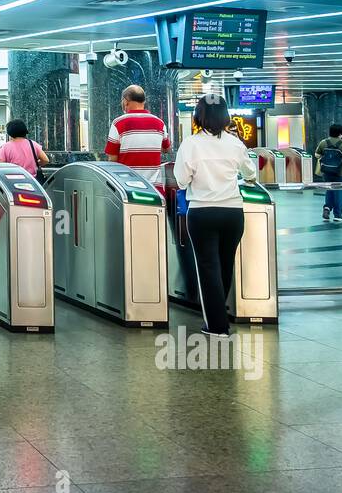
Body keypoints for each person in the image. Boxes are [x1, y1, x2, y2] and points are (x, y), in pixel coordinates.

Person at [173, 95, 257, 337]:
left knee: (208, 268)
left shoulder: (191, 144)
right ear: (225, 117)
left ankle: (216, 325)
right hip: (233, 213)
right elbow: (250, 173)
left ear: (199, 116)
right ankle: (220, 318)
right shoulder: (235, 143)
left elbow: (181, 180)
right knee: (225, 264)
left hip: (203, 212)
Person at [105, 84, 172, 189]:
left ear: (126, 101)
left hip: (128, 188)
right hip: (154, 190)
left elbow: (112, 159)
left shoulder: (118, 123)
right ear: (144, 102)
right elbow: (167, 149)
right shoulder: (159, 123)